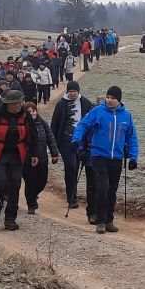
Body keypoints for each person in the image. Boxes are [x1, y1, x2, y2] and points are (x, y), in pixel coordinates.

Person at [70, 85, 138, 234]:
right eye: (108, 97)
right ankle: (100, 221)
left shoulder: (126, 116)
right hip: (99, 156)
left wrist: (133, 157)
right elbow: (83, 125)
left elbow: (131, 137)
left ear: (118, 99)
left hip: (117, 158)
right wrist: (76, 140)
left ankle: (109, 220)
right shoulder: (98, 111)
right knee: (102, 188)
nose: (109, 100)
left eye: (113, 98)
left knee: (112, 191)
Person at [0, 90, 41, 230]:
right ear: (8, 104)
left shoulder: (25, 115)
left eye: (20, 102)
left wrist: (34, 154)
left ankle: (10, 219)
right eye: (16, 103)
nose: (19, 105)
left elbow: (33, 135)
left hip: (17, 155)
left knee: (15, 185)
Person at [50, 80, 95, 214]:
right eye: (70, 91)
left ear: (78, 91)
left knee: (79, 165)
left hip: (81, 140)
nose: (72, 94)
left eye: (74, 91)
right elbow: (54, 124)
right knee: (71, 165)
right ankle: (71, 197)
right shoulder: (61, 105)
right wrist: (54, 145)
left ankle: (83, 195)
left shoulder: (86, 103)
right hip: (65, 139)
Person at [21, 100, 60, 214]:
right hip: (27, 160)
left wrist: (54, 153)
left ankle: (33, 196)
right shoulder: (22, 125)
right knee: (30, 182)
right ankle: (31, 205)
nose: (32, 113)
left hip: (42, 157)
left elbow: (50, 137)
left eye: (33, 111)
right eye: (29, 112)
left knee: (42, 181)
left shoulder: (42, 123)